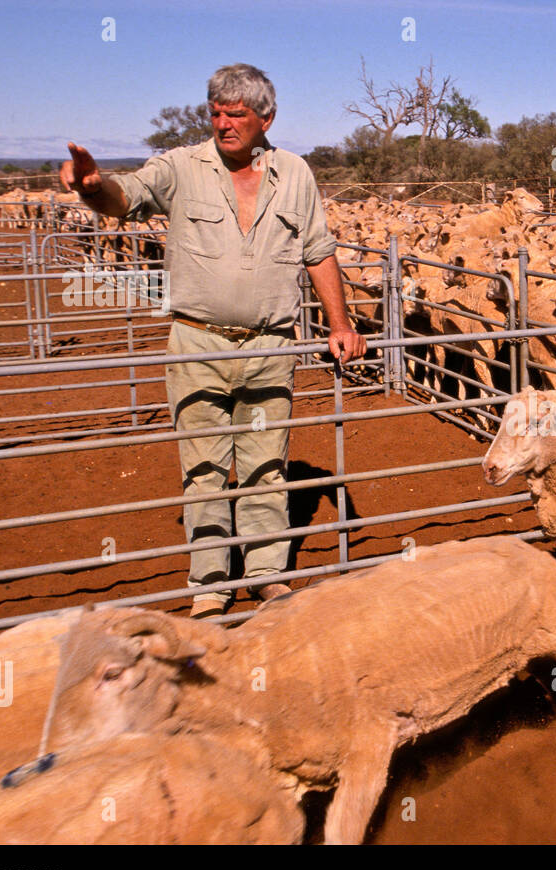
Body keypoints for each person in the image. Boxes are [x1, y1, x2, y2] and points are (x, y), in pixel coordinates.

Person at [60, 63, 366, 618]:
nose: (224, 123)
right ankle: (210, 583)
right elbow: (124, 197)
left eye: (237, 114)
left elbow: (319, 251)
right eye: (216, 112)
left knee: (266, 463)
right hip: (198, 344)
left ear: (266, 118)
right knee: (203, 468)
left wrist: (340, 324)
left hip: (270, 344)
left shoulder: (296, 174)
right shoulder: (181, 166)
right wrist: (92, 186)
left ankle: (268, 574)